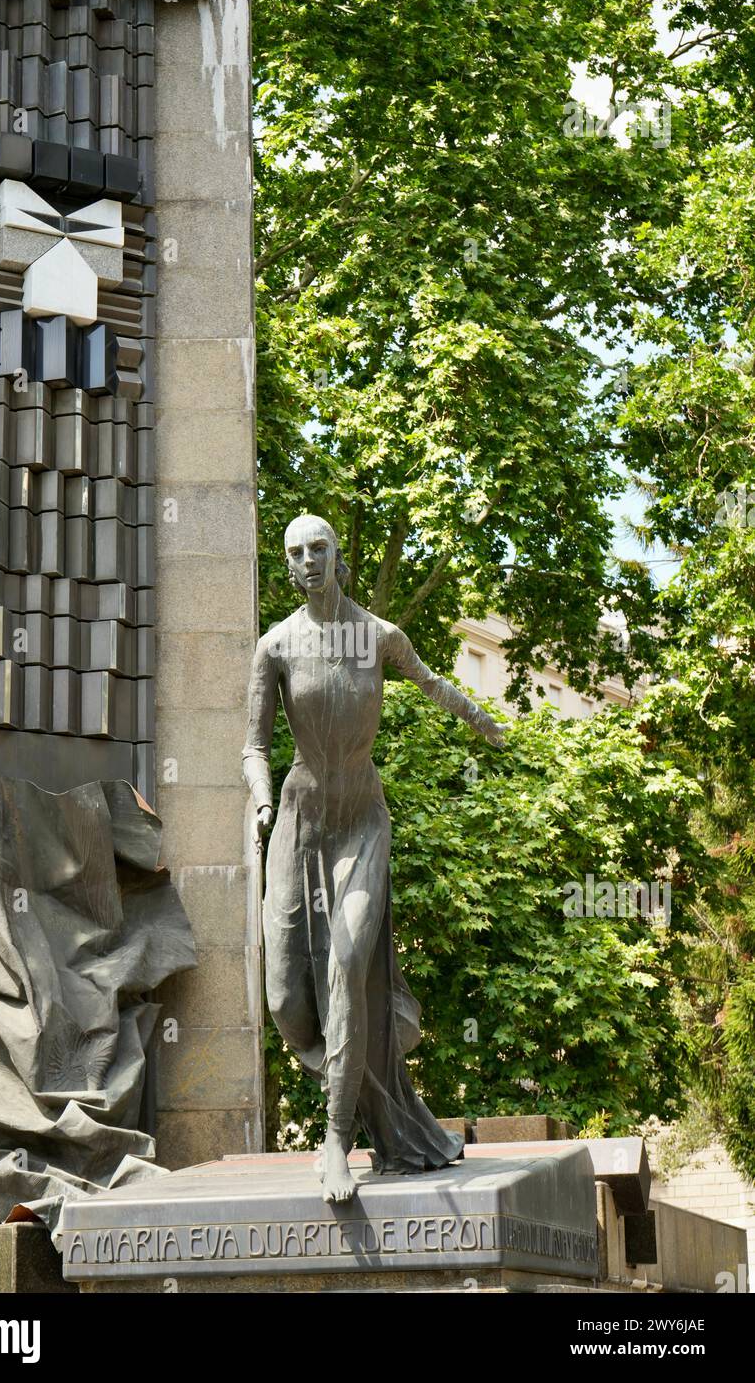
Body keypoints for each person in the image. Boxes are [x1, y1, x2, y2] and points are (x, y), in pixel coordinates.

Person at [243, 515, 508, 1203]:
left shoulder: (379, 636)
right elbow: (253, 746)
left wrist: (482, 721)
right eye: (295, 551)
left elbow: (431, 683)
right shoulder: (274, 647)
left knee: (348, 967)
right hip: (300, 823)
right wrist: (262, 797)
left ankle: (335, 1140)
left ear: (338, 555)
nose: (307, 561)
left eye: (319, 549)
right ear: (287, 562)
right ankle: (367, 1095)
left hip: (361, 820)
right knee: (285, 997)